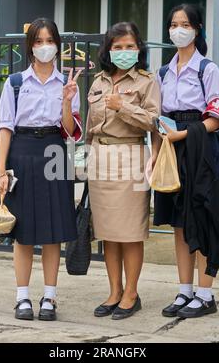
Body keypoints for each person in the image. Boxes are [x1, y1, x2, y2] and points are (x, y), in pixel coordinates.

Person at [0, 18, 82, 321]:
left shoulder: (67, 83)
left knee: (52, 232)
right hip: (21, 152)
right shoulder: (16, 83)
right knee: (22, 232)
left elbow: (70, 131)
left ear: (57, 45)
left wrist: (67, 102)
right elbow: (5, 128)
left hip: (54, 152)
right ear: (30, 46)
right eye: (38, 41)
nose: (45, 47)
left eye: (49, 41)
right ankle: (22, 298)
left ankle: (49, 297)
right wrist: (2, 171)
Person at [152, 4, 219, 319]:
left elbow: (218, 114)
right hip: (171, 151)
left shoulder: (206, 69)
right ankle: (185, 290)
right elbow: (157, 117)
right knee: (179, 224)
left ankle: (206, 294)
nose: (177, 29)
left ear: (197, 29)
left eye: (184, 24)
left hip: (199, 149)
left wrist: (187, 134)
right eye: (173, 24)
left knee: (202, 218)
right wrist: (155, 154)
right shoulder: (163, 72)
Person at [86, 22, 160, 320]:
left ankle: (131, 293)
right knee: (108, 233)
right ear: (109, 50)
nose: (124, 52)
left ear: (138, 49)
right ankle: (114, 291)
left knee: (130, 232)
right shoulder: (98, 80)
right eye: (118, 47)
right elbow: (90, 125)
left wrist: (122, 106)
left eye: (130, 46)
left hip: (131, 156)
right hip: (100, 159)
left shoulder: (146, 81)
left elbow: (155, 121)